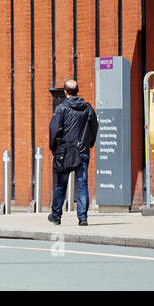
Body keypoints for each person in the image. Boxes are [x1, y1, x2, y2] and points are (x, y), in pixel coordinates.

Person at [47, 78, 100, 226]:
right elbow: (94, 126)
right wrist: (89, 143)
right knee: (82, 184)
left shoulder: (61, 108)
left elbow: (54, 130)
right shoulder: (87, 108)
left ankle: (56, 216)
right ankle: (82, 218)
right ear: (77, 91)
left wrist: (54, 148)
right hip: (82, 151)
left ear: (65, 92)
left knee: (61, 185)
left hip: (65, 152)